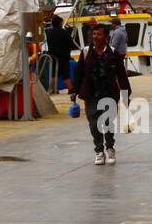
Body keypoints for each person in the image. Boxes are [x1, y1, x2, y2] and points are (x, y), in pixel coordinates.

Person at [69, 23, 131, 165]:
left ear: (106, 37)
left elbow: (121, 76)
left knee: (108, 123)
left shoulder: (113, 53)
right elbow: (78, 74)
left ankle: (110, 148)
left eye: (99, 34)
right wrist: (74, 91)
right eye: (94, 34)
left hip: (109, 94)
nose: (95, 37)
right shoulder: (85, 52)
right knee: (94, 124)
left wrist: (126, 94)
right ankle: (99, 151)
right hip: (91, 95)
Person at [44, 15, 75, 93]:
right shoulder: (63, 32)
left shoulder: (49, 33)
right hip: (63, 55)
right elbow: (71, 44)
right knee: (65, 73)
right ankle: (70, 89)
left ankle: (52, 89)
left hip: (52, 55)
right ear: (60, 23)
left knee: (54, 73)